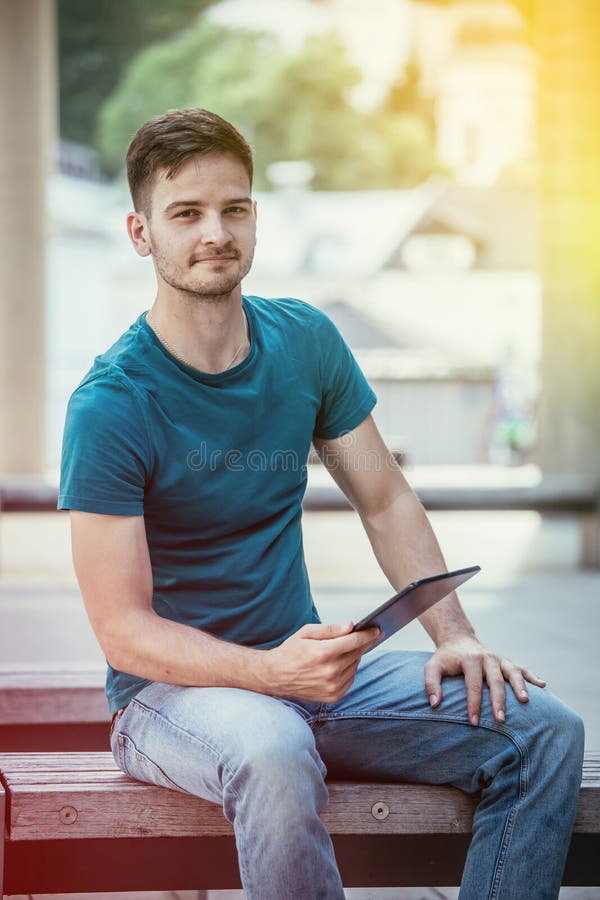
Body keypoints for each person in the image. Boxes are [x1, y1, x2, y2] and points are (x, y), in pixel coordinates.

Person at [59, 108, 583, 900]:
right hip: (172, 702)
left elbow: (384, 496)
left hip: (308, 675)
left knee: (542, 729)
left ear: (256, 219)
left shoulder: (305, 342)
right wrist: (271, 674)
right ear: (141, 233)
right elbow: (123, 632)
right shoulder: (111, 405)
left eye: (234, 208)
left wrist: (454, 632)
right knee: (272, 747)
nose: (215, 232)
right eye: (187, 213)